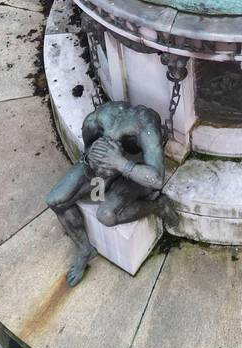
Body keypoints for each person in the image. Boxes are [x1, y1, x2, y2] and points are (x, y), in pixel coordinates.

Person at [46, 101, 175, 286]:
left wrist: (120, 164)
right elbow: (88, 149)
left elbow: (157, 179)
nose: (102, 180)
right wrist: (91, 158)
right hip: (106, 160)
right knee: (55, 200)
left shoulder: (144, 126)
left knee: (106, 215)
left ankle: (158, 206)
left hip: (138, 166)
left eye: (104, 174)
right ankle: (85, 249)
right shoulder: (93, 122)